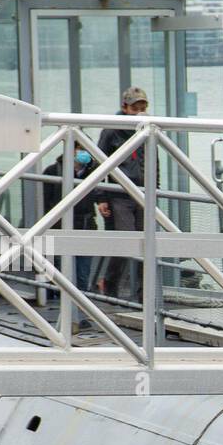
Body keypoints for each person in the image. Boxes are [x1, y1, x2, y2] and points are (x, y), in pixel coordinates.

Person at [96, 86, 154, 302]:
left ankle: (143, 295)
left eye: (142, 107)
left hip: (143, 194)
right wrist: (101, 197)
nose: (139, 111)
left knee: (147, 243)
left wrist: (154, 190)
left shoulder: (147, 128)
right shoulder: (111, 130)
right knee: (126, 242)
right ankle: (110, 287)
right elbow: (98, 163)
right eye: (135, 107)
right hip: (119, 194)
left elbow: (151, 161)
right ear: (124, 107)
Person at [43, 148, 102, 329]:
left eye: (85, 150)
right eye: (78, 150)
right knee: (67, 275)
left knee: (83, 275)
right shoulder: (53, 172)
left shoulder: (94, 172)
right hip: (63, 228)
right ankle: (69, 317)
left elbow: (99, 195)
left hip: (85, 227)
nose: (82, 154)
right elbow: (46, 203)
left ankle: (78, 316)